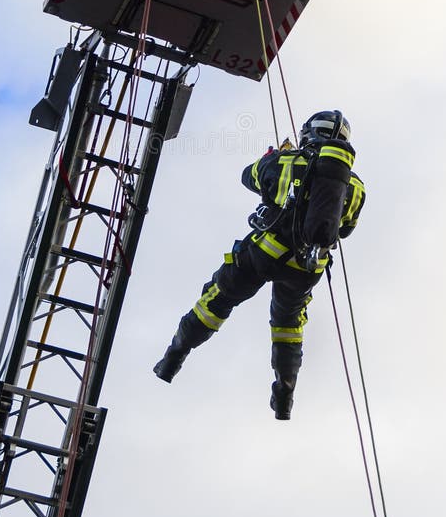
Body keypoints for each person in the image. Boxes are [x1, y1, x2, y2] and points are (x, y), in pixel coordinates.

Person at [153, 110, 365, 420]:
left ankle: (173, 357)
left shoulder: (286, 162)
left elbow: (248, 176)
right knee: (288, 327)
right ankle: (284, 396)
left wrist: (275, 155)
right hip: (306, 269)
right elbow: (345, 229)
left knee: (216, 299)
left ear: (309, 133)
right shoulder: (356, 187)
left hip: (263, 255)